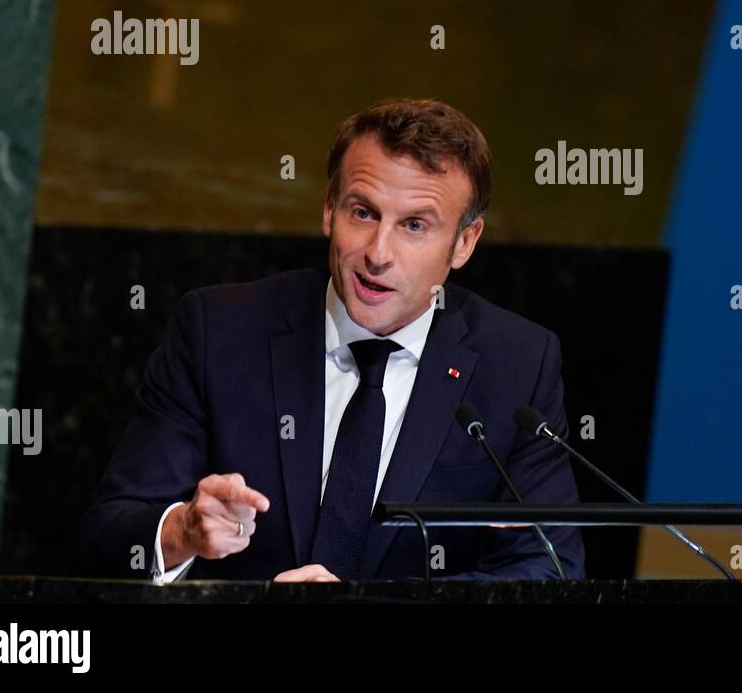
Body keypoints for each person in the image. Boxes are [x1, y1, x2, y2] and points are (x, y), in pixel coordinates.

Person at [77, 98, 585, 581]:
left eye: (414, 225)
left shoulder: (517, 363)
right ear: (328, 209)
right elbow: (108, 534)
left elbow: (548, 565)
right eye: (362, 213)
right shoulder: (219, 331)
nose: (378, 253)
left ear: (465, 242)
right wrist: (181, 531)